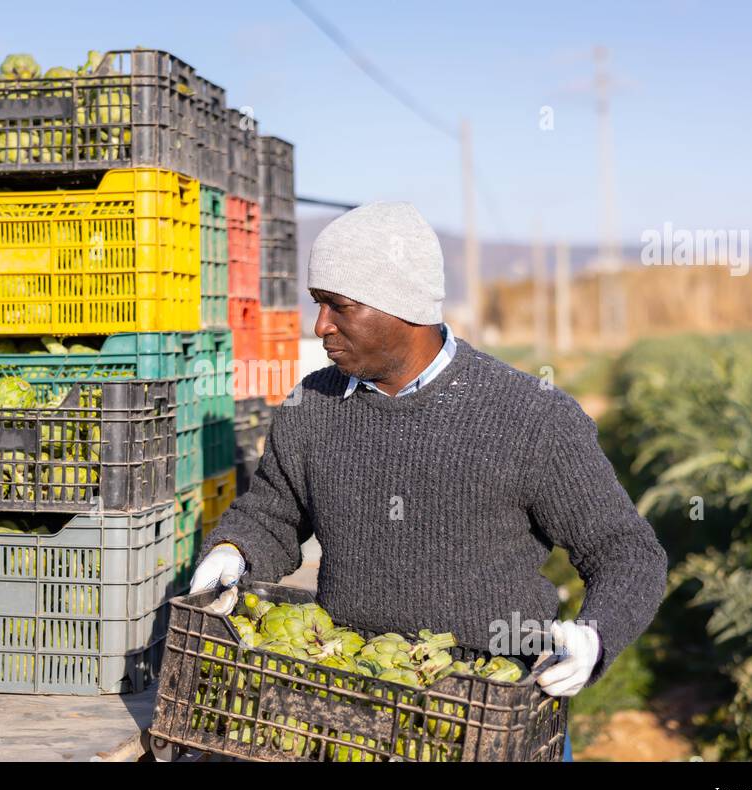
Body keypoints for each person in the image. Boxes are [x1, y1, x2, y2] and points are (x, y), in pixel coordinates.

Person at [192, 201, 668, 719]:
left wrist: (595, 635)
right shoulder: (313, 406)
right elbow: (274, 513)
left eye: (338, 305)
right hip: (355, 694)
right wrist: (234, 549)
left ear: (403, 308)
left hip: (490, 706)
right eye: (316, 303)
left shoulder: (531, 416)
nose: (319, 325)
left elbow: (625, 551)